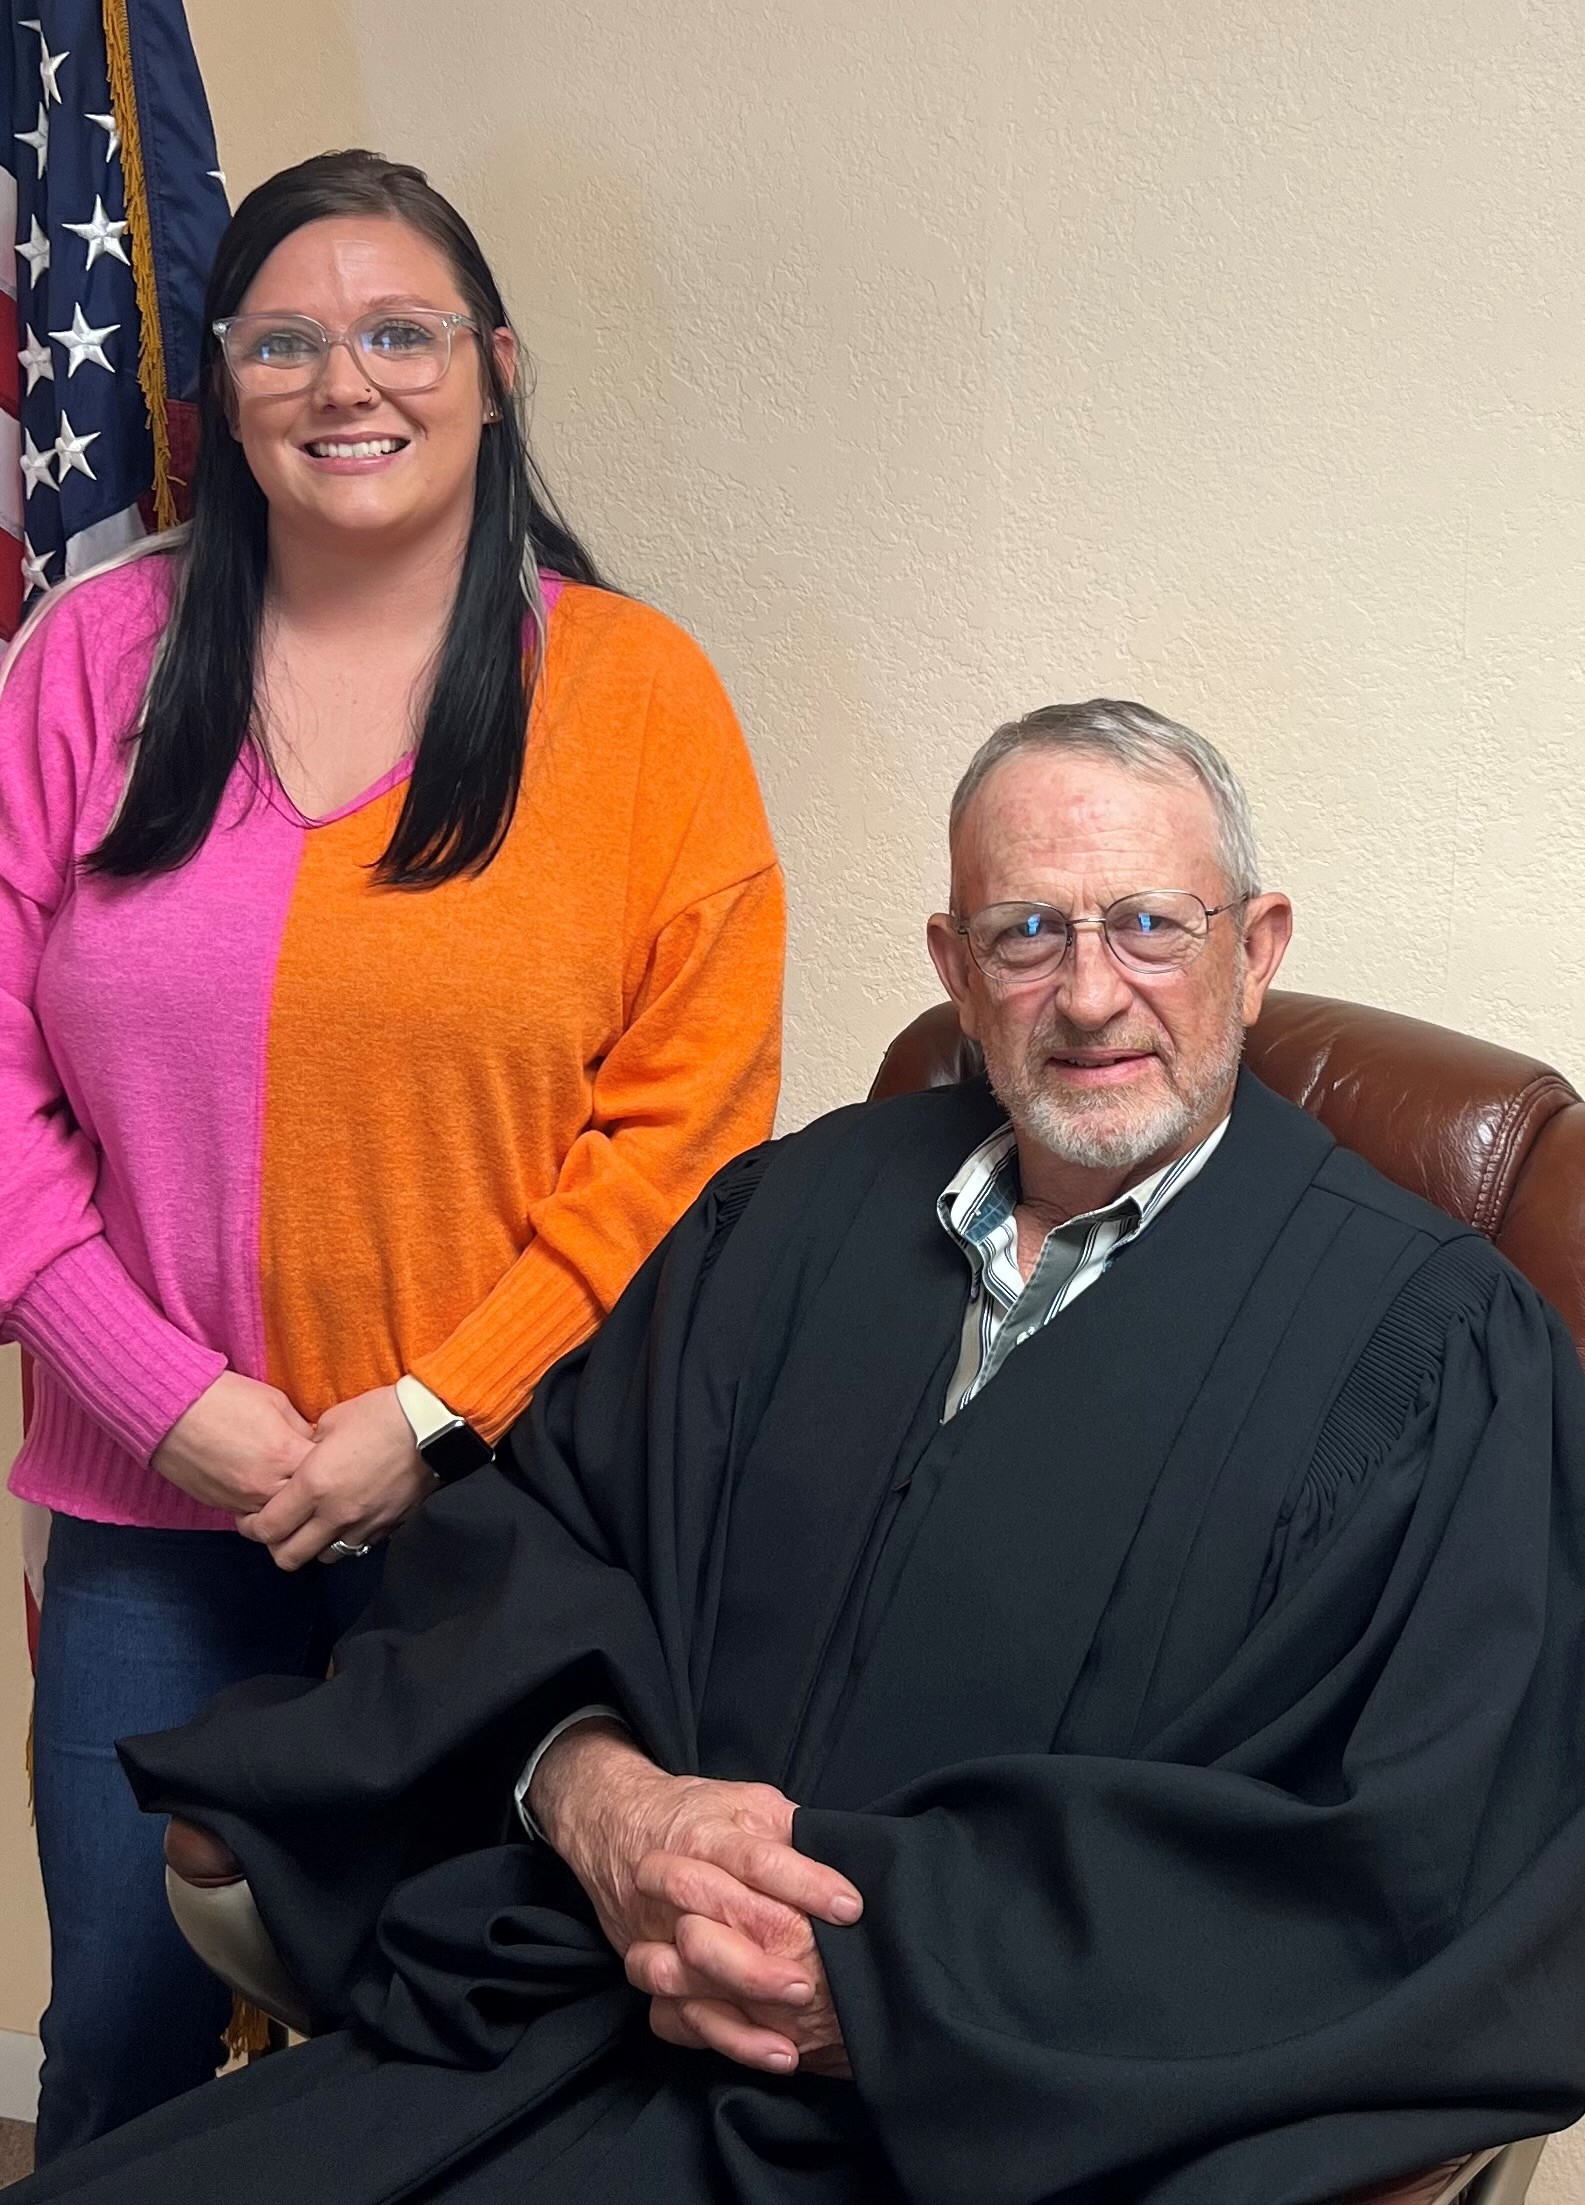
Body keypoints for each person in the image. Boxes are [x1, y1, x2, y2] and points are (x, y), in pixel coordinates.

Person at [18, 701, 1585, 2205]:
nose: (1090, 993)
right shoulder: (788, 1217)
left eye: (1149, 926)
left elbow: (1412, 1855)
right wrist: (601, 1802)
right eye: (1025, 933)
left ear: (1255, 950)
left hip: (999, 2131)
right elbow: (524, 1548)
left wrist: (887, 1974)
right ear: (953, 969)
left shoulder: (1435, 1351)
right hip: (569, 2021)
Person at [0, 149, 784, 2161]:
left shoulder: (635, 693)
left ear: (495, 369)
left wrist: (437, 1408)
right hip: (157, 1520)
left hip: (503, 1519)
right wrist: (165, 1402)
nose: (344, 380)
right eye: (283, 340)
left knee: (459, 2056)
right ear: (222, 390)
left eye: (400, 331)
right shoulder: (88, 660)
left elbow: (686, 1121)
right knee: (116, 2035)